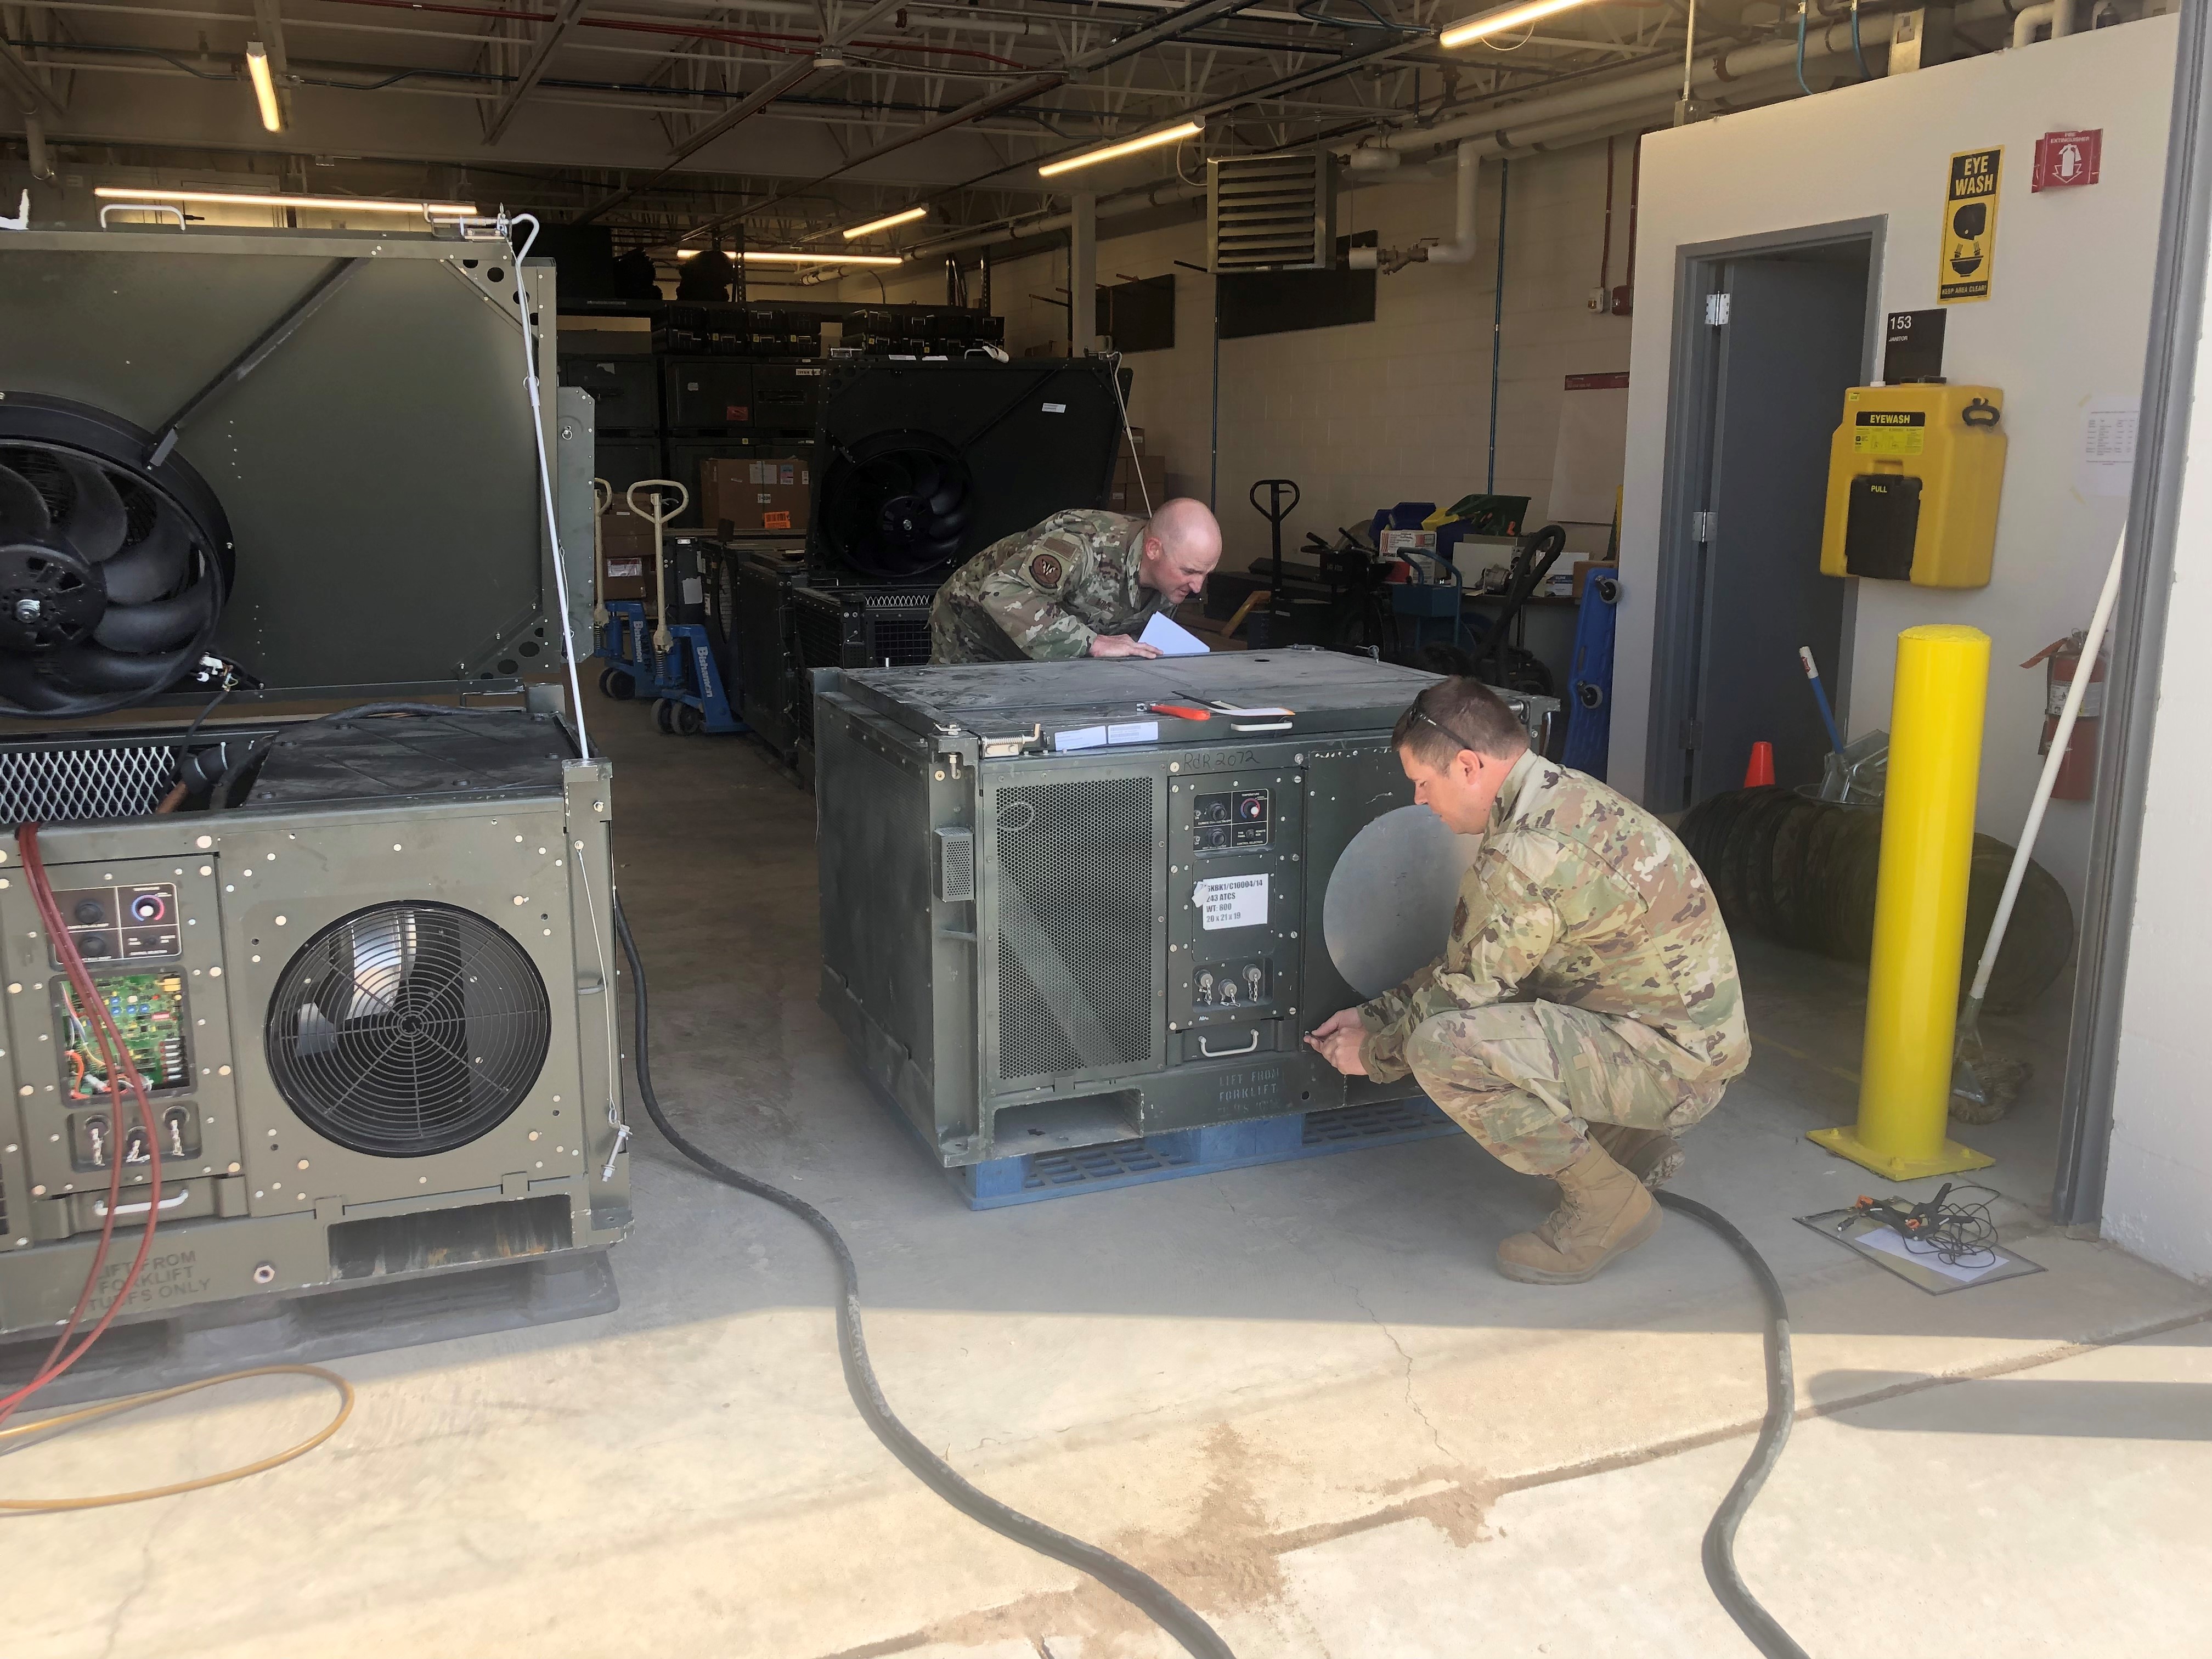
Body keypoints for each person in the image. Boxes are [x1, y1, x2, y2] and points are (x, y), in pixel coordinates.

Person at [1305, 676, 1751, 1285]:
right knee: (1511, 991)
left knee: (1442, 1049)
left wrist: (1375, 1054)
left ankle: (1606, 1206)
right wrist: (1378, 1011)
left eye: (1424, 782)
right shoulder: (1564, 797)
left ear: (1468, 766)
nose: (1419, 800)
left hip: (1672, 1068)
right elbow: (1480, 959)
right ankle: (1627, 1144)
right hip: (1677, 1041)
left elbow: (1459, 997)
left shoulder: (1523, 854)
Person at [927, 498, 1222, 664]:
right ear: (1154, 550)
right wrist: (1092, 642)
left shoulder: (1170, 578)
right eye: (1189, 572)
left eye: (1205, 574)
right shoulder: (1084, 545)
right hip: (974, 625)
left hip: (1042, 646)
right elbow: (1001, 591)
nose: (1197, 587)